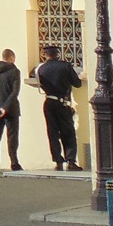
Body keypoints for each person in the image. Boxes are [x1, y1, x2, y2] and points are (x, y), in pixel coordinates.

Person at [31, 43, 85, 173]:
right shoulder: (65, 66)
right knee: (68, 132)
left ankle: (58, 162)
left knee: (52, 133)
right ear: (58, 54)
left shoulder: (41, 69)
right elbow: (77, 84)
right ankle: (71, 161)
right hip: (62, 103)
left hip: (49, 102)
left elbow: (40, 83)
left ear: (46, 55)